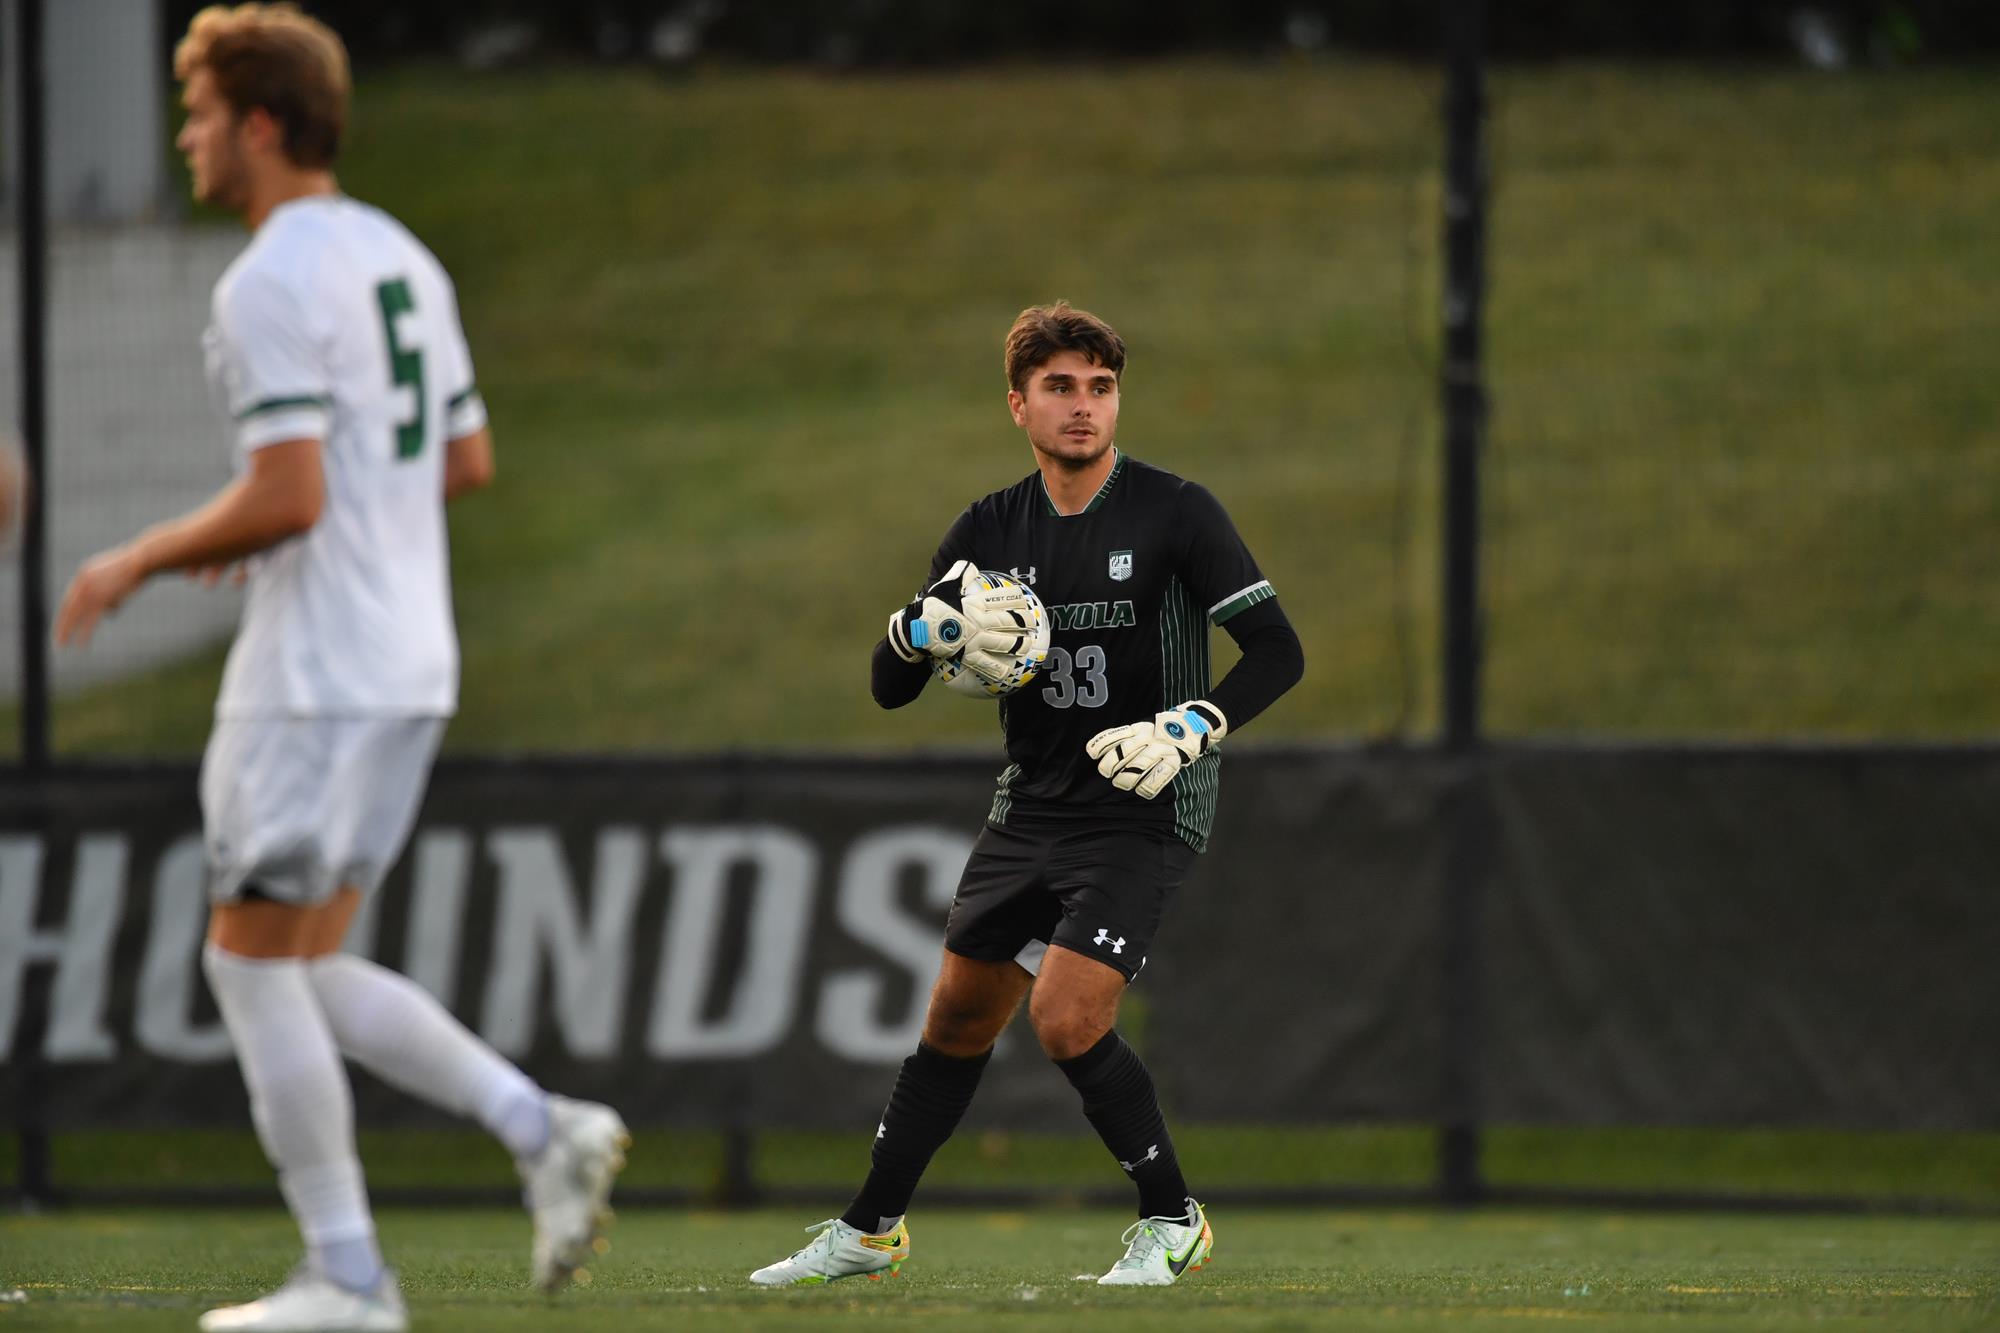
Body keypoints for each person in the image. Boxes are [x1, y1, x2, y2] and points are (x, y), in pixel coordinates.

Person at [54, 7, 626, 1329]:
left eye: (200, 113)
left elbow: (290, 492)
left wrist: (139, 557)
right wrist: (297, 519)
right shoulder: (400, 254)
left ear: (259, 124)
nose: (185, 138)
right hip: (410, 660)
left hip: (313, 674)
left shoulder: (267, 278)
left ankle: (349, 1277)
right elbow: (462, 461)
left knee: (249, 968)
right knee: (300, 962)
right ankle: (539, 1126)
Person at [749, 301, 1304, 1288]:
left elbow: (1277, 650)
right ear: (1018, 404)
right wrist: (913, 633)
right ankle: (870, 1229)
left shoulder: (1176, 510)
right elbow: (888, 686)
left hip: (1142, 805)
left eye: (1100, 386)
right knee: (956, 1022)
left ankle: (1173, 1219)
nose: (1083, 405)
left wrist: (1193, 725)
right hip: (1031, 809)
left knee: (1066, 1016)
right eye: (1059, 387)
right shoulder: (987, 530)